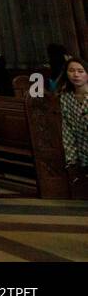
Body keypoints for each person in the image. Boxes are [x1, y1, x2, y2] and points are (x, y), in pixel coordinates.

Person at [59, 58, 88, 195]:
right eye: (71, 71)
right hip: (83, 149)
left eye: (80, 71)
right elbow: (67, 128)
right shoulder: (66, 98)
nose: (76, 75)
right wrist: (71, 158)